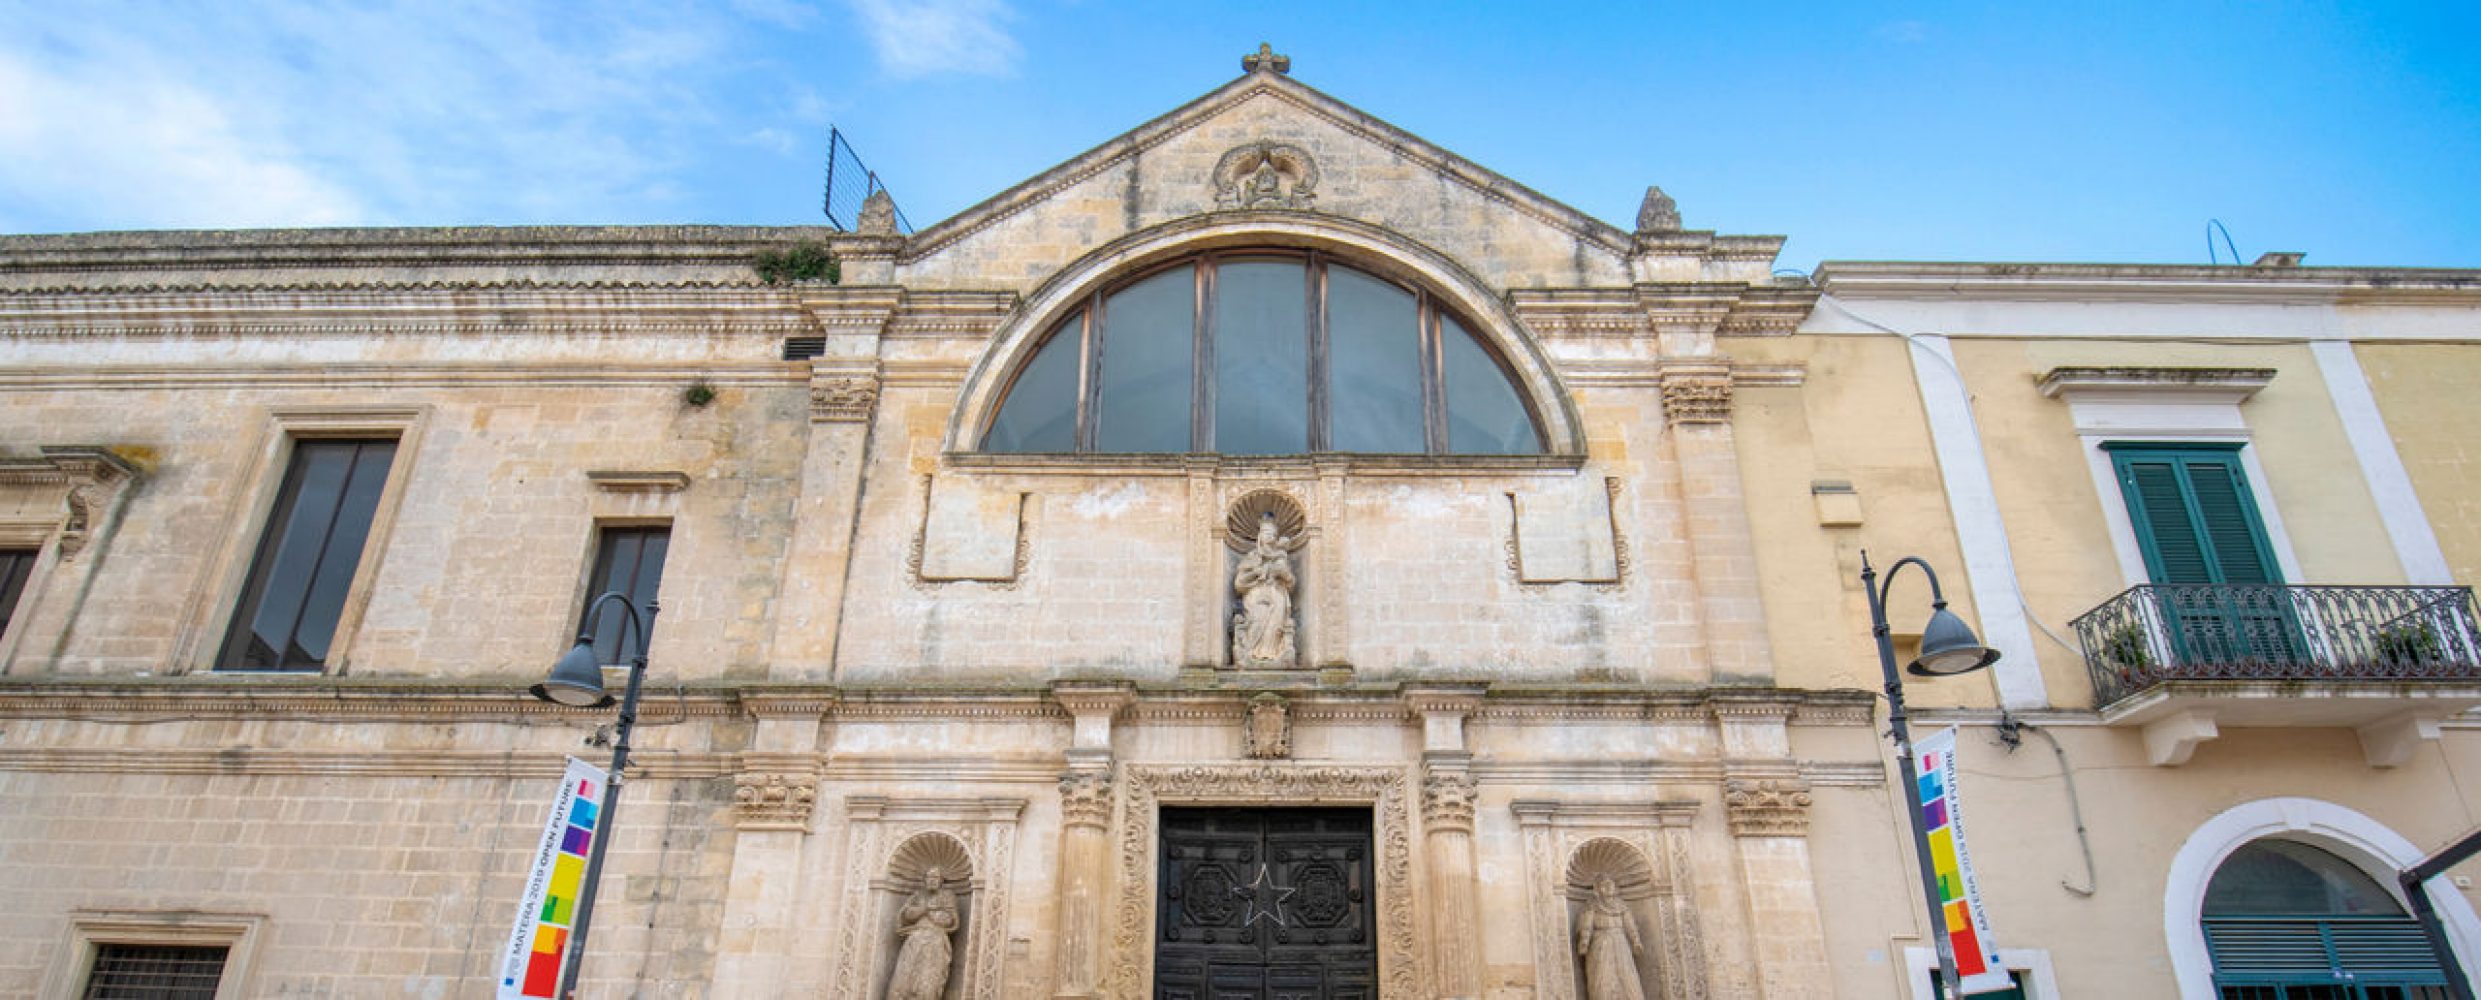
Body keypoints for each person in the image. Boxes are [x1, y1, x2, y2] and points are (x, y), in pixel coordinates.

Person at [1232, 514, 1296, 666]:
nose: (1272, 538)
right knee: (1257, 622)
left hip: (1277, 595)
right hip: (1256, 597)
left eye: (1274, 535)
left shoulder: (1281, 557)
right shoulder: (1251, 558)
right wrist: (1257, 572)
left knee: (1275, 627)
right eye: (1268, 534)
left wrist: (1283, 574)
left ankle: (1275, 654)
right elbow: (1239, 583)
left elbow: (1291, 582)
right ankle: (1251, 653)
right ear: (1260, 536)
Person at [886, 868, 959, 1000]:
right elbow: (906, 915)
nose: (932, 880)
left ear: (941, 881)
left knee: (928, 979)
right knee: (904, 977)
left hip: (935, 941)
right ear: (924, 880)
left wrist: (931, 913)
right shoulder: (918, 896)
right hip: (915, 939)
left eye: (935, 878)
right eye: (929, 877)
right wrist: (923, 909)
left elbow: (950, 920)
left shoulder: (947, 897)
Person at [1576, 876, 1646, 1000]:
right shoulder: (1593, 906)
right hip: (1601, 943)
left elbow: (1630, 925)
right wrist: (1584, 942)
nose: (1608, 888)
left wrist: (1636, 941)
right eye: (1604, 885)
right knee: (1601, 976)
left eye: (1611, 885)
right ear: (1598, 889)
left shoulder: (1621, 906)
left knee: (1626, 973)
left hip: (1620, 943)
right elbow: (1587, 925)